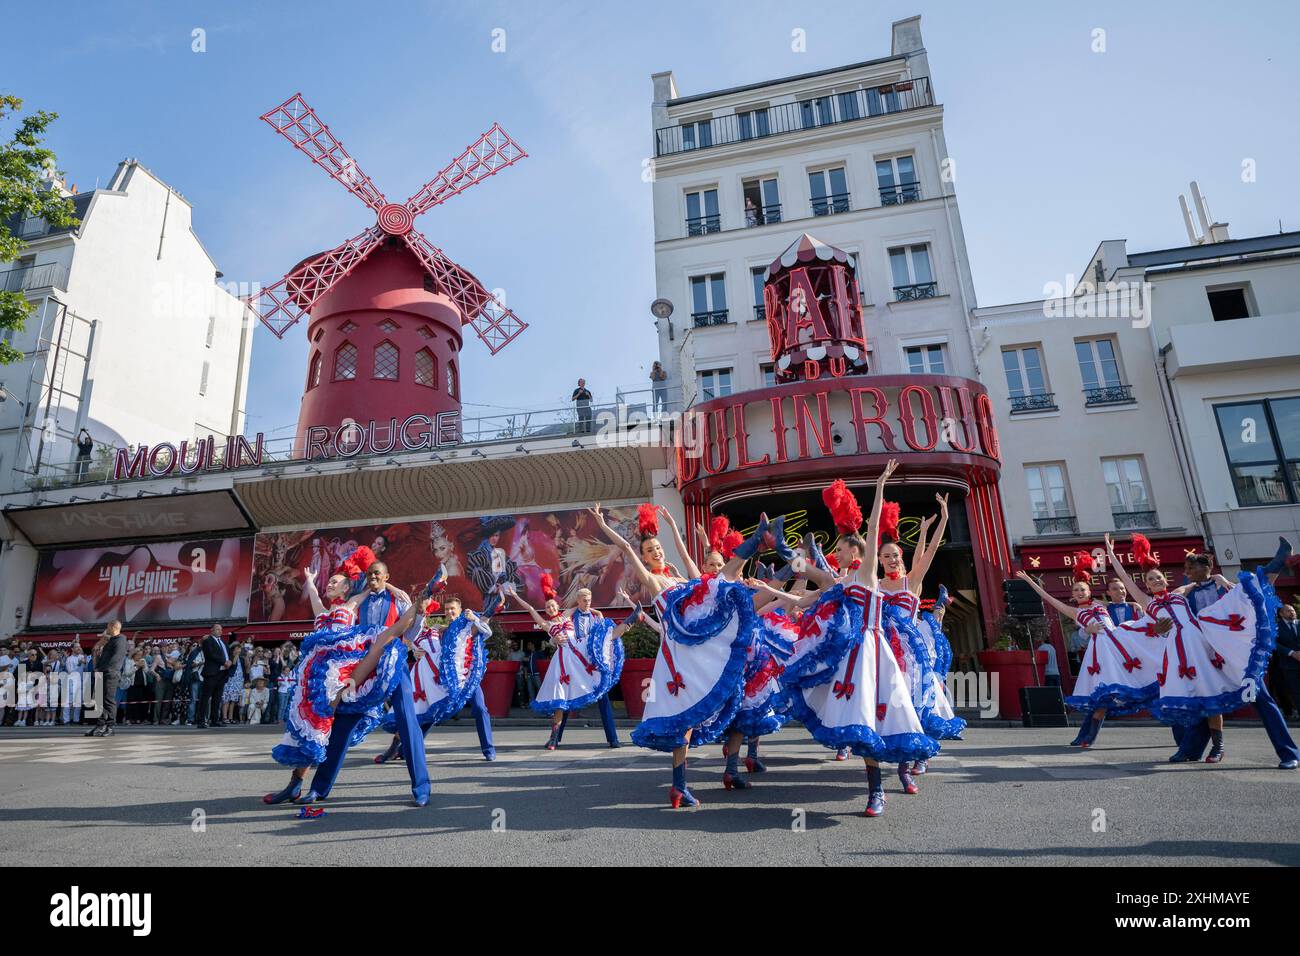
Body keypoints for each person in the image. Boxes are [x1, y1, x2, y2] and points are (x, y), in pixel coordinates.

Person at [779, 464, 939, 817]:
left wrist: (879, 487)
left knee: (894, 715)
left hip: (879, 650)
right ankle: (875, 791)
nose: (837, 552)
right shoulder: (841, 580)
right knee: (863, 719)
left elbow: (872, 525)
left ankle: (902, 772)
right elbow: (809, 577)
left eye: (841, 548)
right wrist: (782, 554)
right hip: (854, 655)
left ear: (857, 551)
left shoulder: (867, 572)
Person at [595, 501, 758, 807]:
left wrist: (675, 530)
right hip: (676, 658)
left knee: (697, 716)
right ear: (643, 558)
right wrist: (604, 527)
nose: (656, 552)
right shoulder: (655, 581)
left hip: (695, 650)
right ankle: (679, 785)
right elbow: (627, 551)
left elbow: (707, 578)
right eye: (650, 550)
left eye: (658, 548)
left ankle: (683, 785)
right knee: (683, 722)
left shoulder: (680, 580)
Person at [1105, 533, 1295, 767]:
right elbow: (1132, 587)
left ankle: (1288, 753)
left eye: (1158, 577)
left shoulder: (1196, 590)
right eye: (1150, 579)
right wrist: (1112, 555)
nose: (1156, 581)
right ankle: (1191, 749)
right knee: (1199, 698)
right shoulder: (1164, 598)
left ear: (1166, 579)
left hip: (1218, 647)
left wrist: (1219, 577)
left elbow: (1226, 587)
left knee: (1252, 695)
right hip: (1187, 654)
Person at [1015, 555, 1165, 749]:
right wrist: (1029, 581)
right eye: (1075, 590)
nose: (1079, 592)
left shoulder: (1101, 605)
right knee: (1101, 698)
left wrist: (1132, 604)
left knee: (1138, 680)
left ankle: (1085, 737)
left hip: (1119, 644)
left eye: (1082, 589)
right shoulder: (1074, 611)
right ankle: (1086, 737)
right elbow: (1048, 598)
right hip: (1101, 653)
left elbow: (1119, 602)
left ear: (1089, 591)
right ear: (1072, 594)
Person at [510, 577, 625, 750]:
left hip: (588, 658)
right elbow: (534, 613)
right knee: (563, 697)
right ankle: (555, 738)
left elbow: (600, 630)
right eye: (584, 600)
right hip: (567, 660)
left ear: (557, 606)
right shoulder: (563, 617)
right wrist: (553, 641)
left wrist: (594, 611)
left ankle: (613, 738)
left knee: (602, 695)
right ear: (578, 601)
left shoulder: (582, 615)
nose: (586, 603)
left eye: (553, 605)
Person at [86, 621, 126, 737]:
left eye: (108, 627)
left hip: (110, 673)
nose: (106, 629)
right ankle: (100, 725)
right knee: (99, 700)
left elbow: (116, 658)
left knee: (108, 700)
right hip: (102, 672)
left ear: (113, 627)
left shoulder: (120, 640)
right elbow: (103, 656)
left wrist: (103, 668)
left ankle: (110, 726)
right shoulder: (110, 641)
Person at [196, 624, 233, 729]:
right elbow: (211, 654)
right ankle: (201, 720)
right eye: (217, 629)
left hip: (222, 673)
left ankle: (214, 719)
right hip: (212, 672)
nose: (220, 631)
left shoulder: (223, 642)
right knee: (205, 697)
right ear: (212, 630)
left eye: (221, 629)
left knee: (217, 698)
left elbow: (229, 653)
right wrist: (224, 662)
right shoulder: (208, 641)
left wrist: (230, 661)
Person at [1275, 603, 1300, 719]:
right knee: (1296, 691)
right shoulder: (1276, 627)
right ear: (1281, 614)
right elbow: (1274, 643)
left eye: (1293, 610)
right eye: (1289, 611)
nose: (1292, 612)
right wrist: (1291, 653)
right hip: (1289, 665)